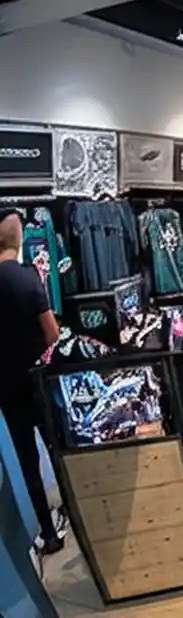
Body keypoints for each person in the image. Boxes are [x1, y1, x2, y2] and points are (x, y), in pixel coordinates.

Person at [0, 210, 63, 554]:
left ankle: (49, 532)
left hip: (6, 385)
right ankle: (76, 513)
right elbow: (52, 332)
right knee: (55, 446)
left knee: (26, 459)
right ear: (18, 239)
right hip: (37, 378)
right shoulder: (28, 279)